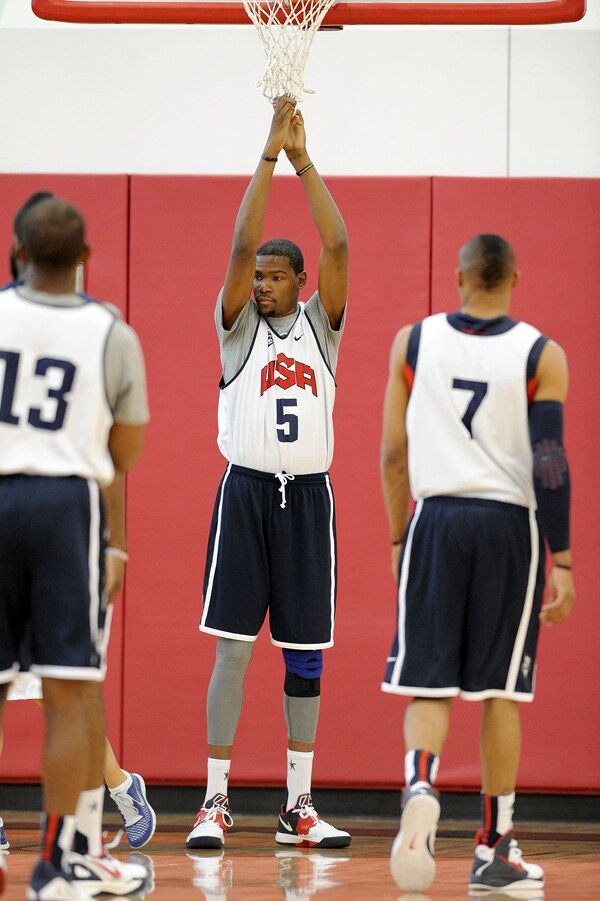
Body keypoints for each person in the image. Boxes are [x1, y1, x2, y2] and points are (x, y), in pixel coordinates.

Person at [379, 233, 576, 893]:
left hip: (434, 518)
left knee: (428, 683)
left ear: (459, 274)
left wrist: (398, 537)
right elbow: (549, 460)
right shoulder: (542, 354)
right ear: (515, 275)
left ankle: (419, 782)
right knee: (500, 692)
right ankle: (495, 847)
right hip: (506, 527)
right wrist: (565, 557)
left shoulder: (413, 341)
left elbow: (391, 455)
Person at [186, 96, 351, 852]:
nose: (260, 284)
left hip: (308, 498)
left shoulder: (322, 326)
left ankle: (298, 806)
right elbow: (238, 240)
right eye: (256, 276)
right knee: (232, 647)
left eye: (274, 277)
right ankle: (216, 800)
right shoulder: (236, 329)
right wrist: (265, 154)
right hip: (246, 492)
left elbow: (341, 242)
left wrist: (304, 160)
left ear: (299, 281)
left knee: (305, 651)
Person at [0, 197, 151, 900]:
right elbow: (125, 449)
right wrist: (116, 542)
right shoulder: (109, 330)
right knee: (67, 694)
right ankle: (62, 862)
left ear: (20, 253)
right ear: (86, 256)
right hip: (67, 506)